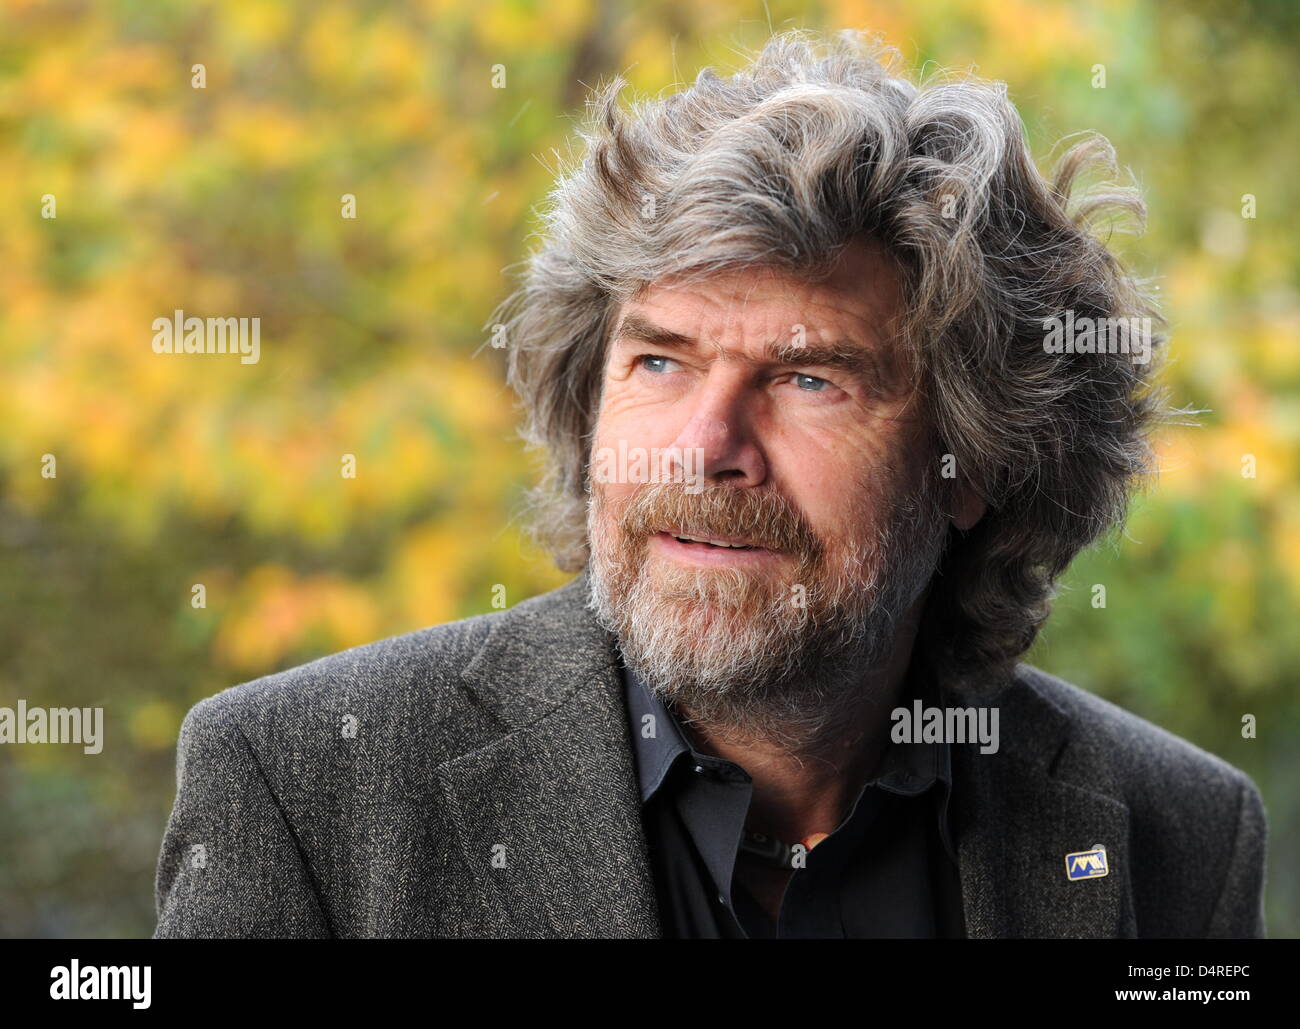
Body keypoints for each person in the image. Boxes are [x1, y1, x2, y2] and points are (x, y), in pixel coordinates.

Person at [154, 29, 1267, 939]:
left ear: (974, 463)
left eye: (808, 377)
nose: (705, 446)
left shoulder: (1175, 835)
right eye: (658, 360)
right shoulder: (301, 789)